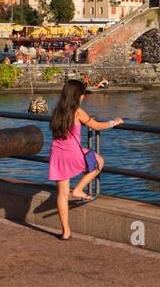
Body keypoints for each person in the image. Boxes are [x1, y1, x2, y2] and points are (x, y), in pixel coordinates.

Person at [47, 79, 123, 241]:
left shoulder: (57, 111)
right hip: (73, 153)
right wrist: (113, 122)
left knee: (62, 194)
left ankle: (66, 231)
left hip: (57, 154)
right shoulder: (78, 112)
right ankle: (79, 189)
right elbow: (95, 126)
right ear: (77, 96)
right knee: (99, 162)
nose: (83, 98)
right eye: (82, 95)